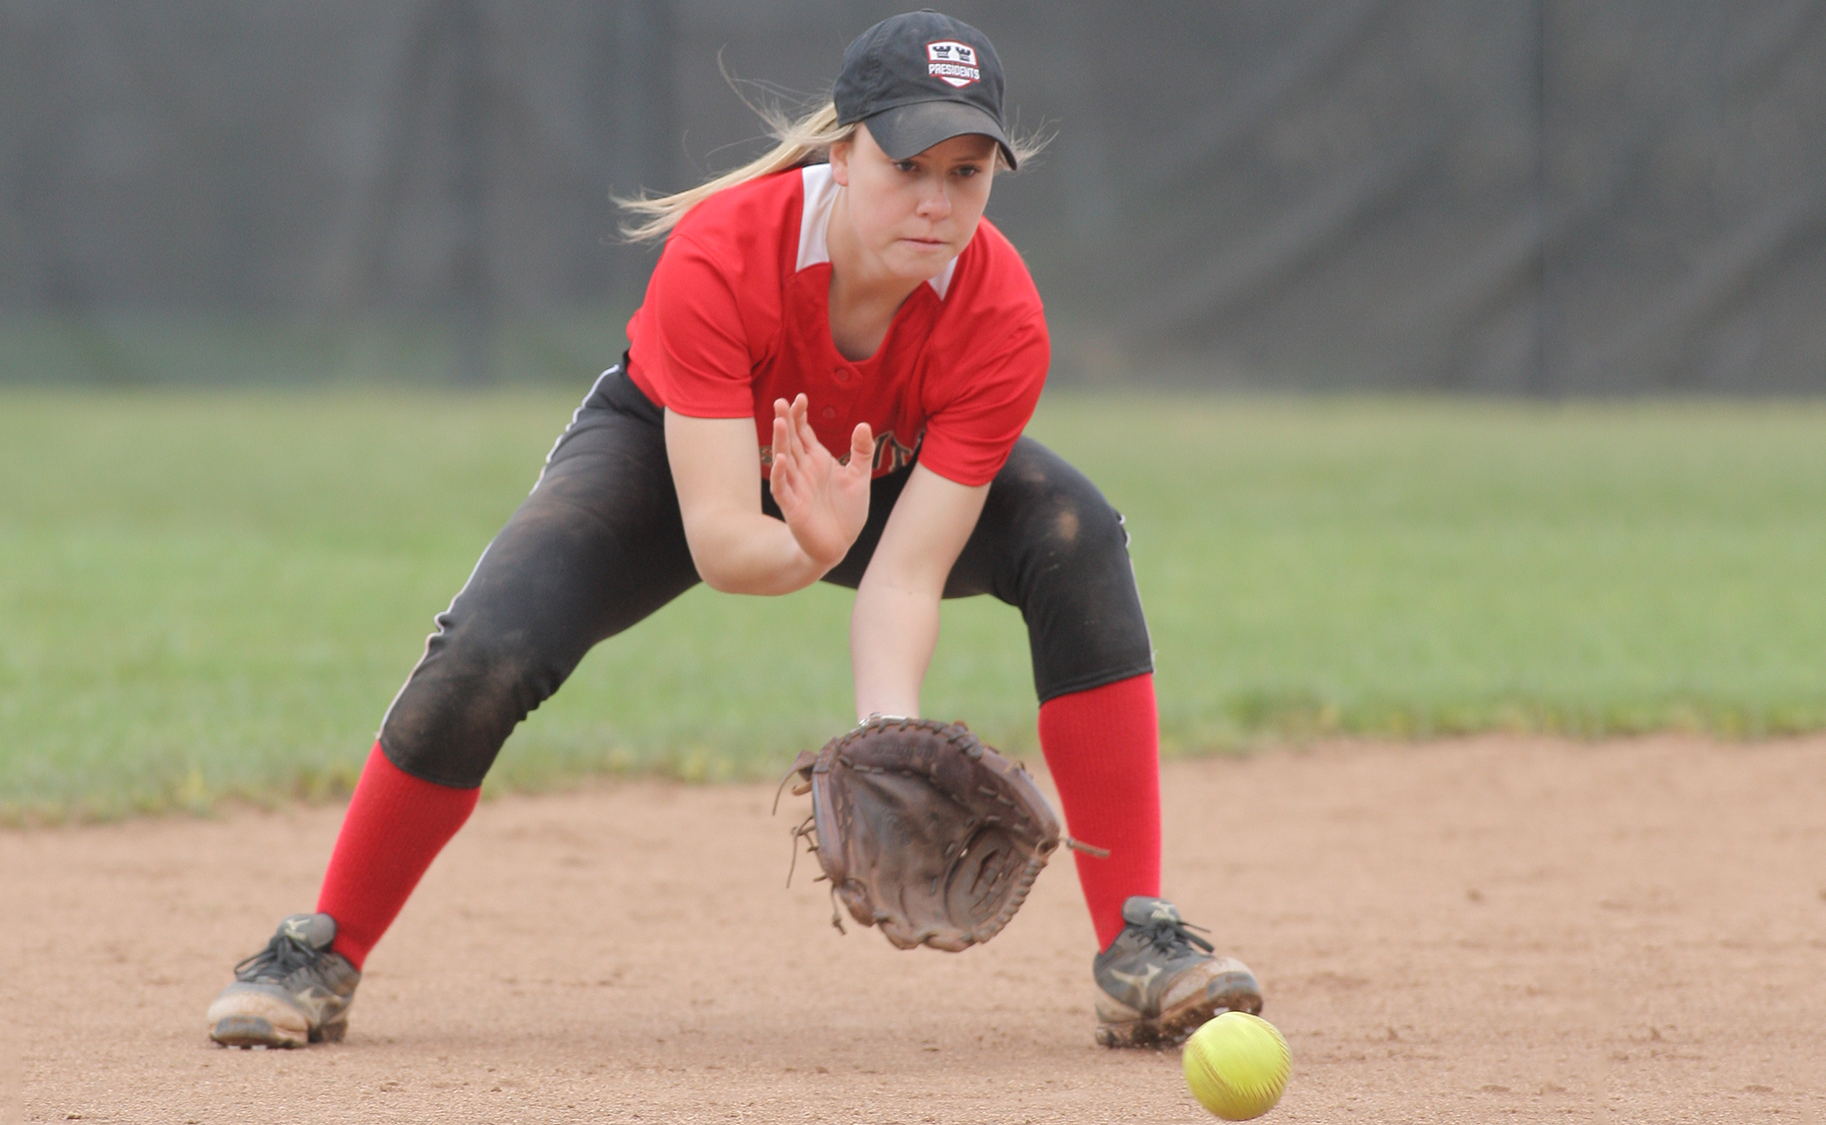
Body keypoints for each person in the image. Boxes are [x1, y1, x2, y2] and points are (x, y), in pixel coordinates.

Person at [205, 10, 1262, 1052]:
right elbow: (718, 543)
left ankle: (1138, 948)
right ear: (842, 152)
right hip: (673, 460)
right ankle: (322, 950)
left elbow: (904, 573)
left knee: (1074, 529)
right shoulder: (726, 251)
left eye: (967, 173)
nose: (938, 202)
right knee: (491, 644)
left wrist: (886, 737)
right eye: (909, 164)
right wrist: (806, 545)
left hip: (867, 475)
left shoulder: (997, 314)